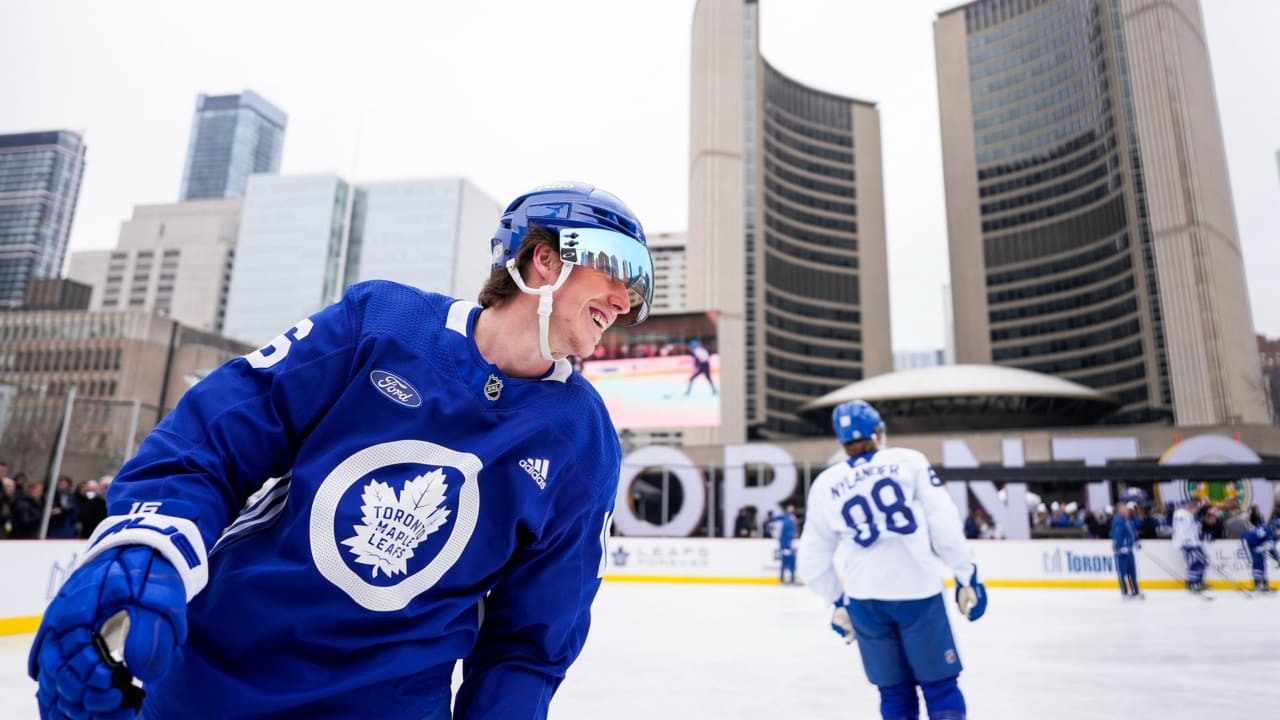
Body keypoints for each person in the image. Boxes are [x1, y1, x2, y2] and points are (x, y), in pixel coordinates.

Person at [28, 182, 655, 720]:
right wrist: (147, 542)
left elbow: (530, 640)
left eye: (639, 289)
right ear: (542, 258)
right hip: (215, 679)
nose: (626, 302)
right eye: (616, 270)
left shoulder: (583, 440)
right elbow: (218, 433)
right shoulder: (382, 323)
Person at [798, 400, 987, 720]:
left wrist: (836, 602)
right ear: (878, 432)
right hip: (917, 591)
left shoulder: (825, 484)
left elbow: (813, 556)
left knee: (894, 694)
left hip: (865, 600)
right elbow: (944, 523)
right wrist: (965, 574)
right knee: (940, 688)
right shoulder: (908, 461)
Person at [1171, 498, 1207, 593]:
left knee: (1202, 561)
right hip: (1188, 544)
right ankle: (1193, 583)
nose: (1197, 509)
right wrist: (1185, 542)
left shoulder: (1188, 514)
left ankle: (1197, 582)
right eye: (1195, 506)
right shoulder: (1181, 514)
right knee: (1195, 562)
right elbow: (1182, 530)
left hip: (1194, 543)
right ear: (1188, 505)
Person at [1111, 502, 1143, 599]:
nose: (1128, 511)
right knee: (1123, 572)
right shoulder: (1118, 521)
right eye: (1126, 510)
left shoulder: (1127, 520)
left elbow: (1131, 532)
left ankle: (1135, 591)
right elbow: (1117, 535)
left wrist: (1136, 541)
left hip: (1129, 550)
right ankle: (1124, 592)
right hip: (1122, 552)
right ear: (1121, 511)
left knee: (1132, 572)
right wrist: (1120, 548)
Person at [1240, 519, 1280, 593]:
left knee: (1262, 563)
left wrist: (1277, 559)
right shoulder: (1267, 530)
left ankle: (1265, 584)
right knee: (1257, 563)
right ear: (1275, 527)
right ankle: (1257, 585)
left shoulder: (1274, 534)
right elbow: (1252, 538)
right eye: (1279, 529)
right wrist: (1257, 549)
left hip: (1257, 544)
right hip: (1248, 542)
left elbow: (1271, 548)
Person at [768, 503, 798, 585]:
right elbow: (774, 520)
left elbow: (794, 529)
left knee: (792, 562)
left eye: (792, 508)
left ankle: (792, 579)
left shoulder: (793, 518)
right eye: (789, 508)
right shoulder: (784, 517)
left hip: (790, 543)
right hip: (784, 543)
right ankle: (782, 579)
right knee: (785, 562)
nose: (791, 509)